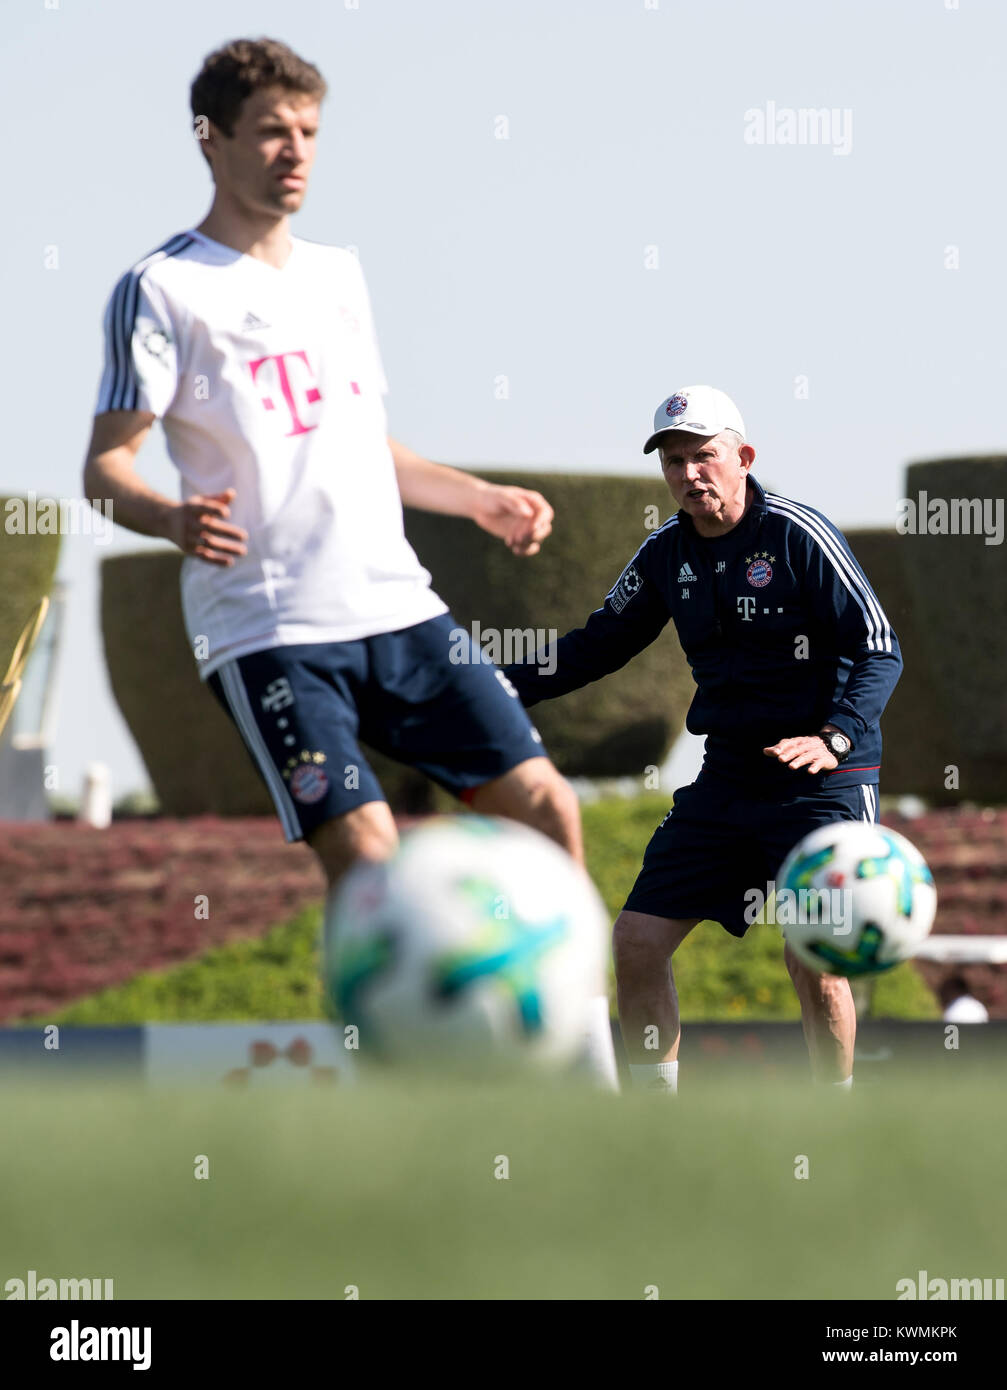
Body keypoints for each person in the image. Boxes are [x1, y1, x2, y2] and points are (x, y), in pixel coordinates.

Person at [82, 37, 581, 889]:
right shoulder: (163, 288)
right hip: (269, 629)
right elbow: (106, 466)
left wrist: (476, 498)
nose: (296, 152)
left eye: (310, 132)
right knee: (370, 853)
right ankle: (381, 1027)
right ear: (212, 137)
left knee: (545, 807)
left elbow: (358, 439)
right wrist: (169, 518)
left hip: (397, 610)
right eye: (274, 130)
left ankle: (583, 1025)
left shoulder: (338, 276)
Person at [504, 385, 903, 1091]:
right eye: (673, 460)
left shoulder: (797, 534)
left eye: (703, 456)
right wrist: (488, 685)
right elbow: (594, 647)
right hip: (726, 782)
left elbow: (878, 649)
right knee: (635, 943)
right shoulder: (664, 553)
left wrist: (835, 738)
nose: (688, 474)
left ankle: (838, 1123)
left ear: (742, 456)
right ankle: (656, 1128)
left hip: (823, 781)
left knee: (811, 954)